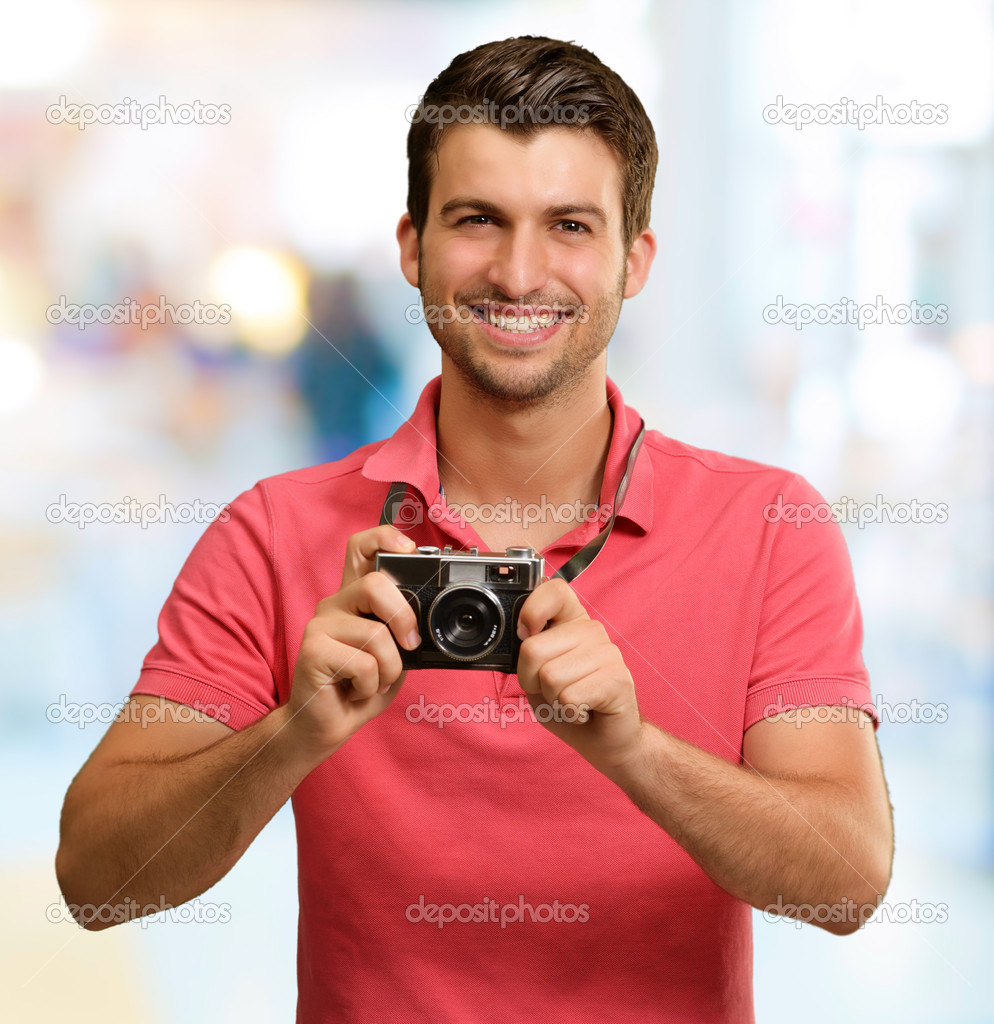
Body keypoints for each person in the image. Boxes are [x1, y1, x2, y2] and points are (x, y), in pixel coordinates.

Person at [56, 36, 893, 1024]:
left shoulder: (768, 527)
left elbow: (845, 883)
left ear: (636, 259)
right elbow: (98, 880)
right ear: (412, 246)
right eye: (476, 220)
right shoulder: (271, 536)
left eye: (570, 225)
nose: (519, 269)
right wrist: (295, 732)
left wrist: (632, 748)